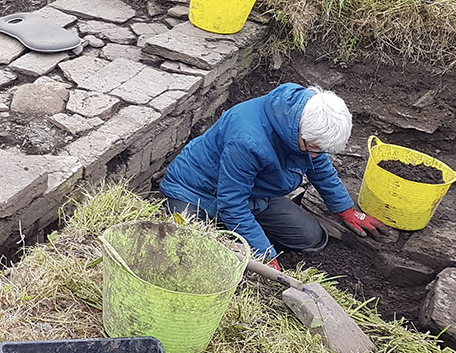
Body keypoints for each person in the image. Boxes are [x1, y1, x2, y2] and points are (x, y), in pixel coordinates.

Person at [161, 83, 389, 266]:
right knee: (188, 249)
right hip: (196, 190)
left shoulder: (303, 123)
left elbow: (320, 169)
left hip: (254, 194)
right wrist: (265, 255)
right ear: (299, 132)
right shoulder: (248, 142)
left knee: (310, 238)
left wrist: (346, 210)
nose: (317, 154)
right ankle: (230, 232)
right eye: (314, 147)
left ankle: (237, 230)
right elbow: (232, 203)